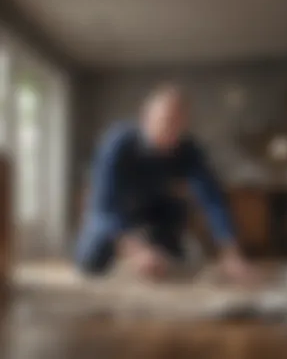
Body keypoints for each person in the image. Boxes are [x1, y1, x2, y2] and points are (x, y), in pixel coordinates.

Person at [75, 85, 255, 282]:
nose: (172, 133)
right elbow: (103, 206)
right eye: (166, 121)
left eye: (179, 125)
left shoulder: (189, 149)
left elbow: (212, 199)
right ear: (145, 118)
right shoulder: (117, 143)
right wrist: (137, 250)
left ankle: (162, 251)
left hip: (158, 213)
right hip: (116, 212)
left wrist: (231, 253)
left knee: (169, 265)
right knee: (90, 262)